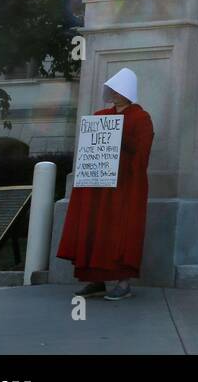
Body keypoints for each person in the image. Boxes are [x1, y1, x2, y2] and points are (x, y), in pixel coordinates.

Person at [56, 68, 154, 301]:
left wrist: (119, 136)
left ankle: (123, 282)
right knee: (95, 229)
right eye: (110, 89)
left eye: (116, 89)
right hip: (98, 185)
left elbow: (142, 154)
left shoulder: (141, 118)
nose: (111, 93)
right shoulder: (100, 116)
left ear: (127, 92)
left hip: (123, 187)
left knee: (120, 231)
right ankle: (95, 280)